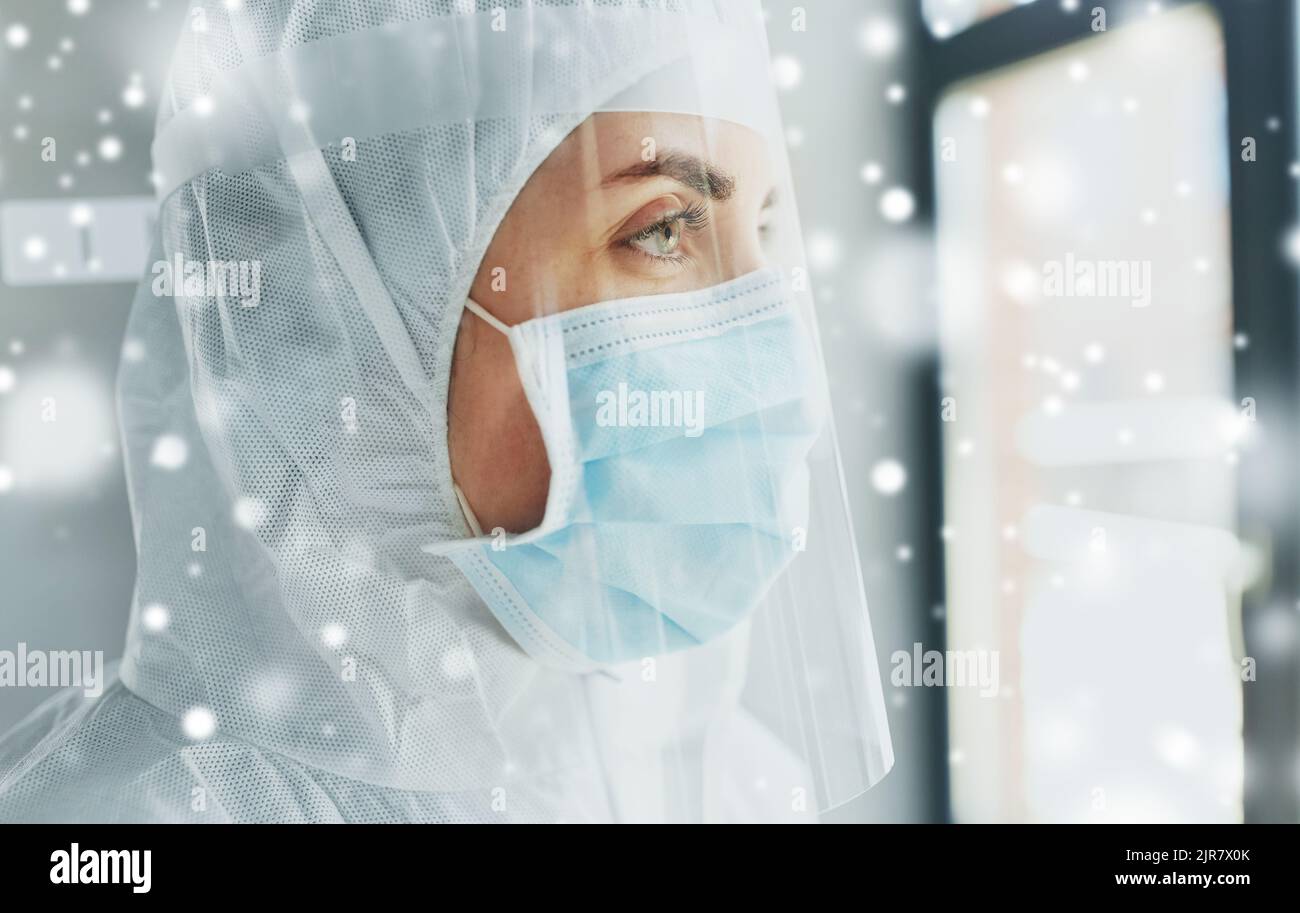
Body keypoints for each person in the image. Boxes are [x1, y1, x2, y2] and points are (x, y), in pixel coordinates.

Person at [0, 0, 891, 823]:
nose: (778, 355)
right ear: (342, 303)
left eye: (765, 230)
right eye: (663, 227)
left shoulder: (719, 778)